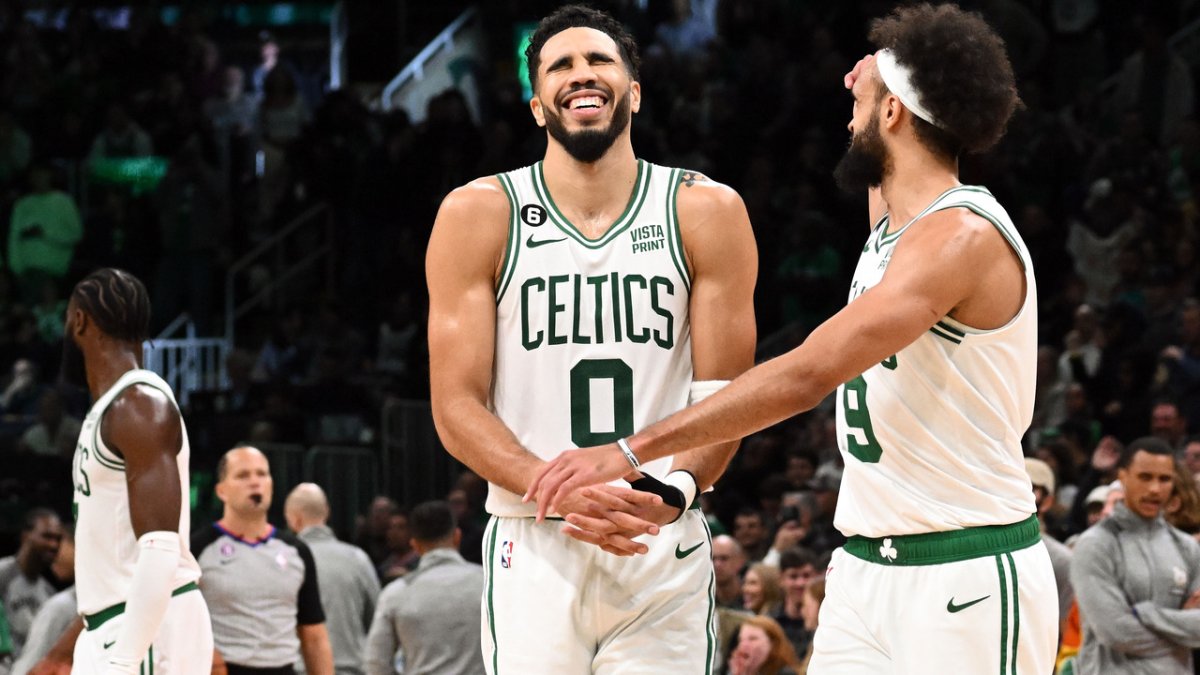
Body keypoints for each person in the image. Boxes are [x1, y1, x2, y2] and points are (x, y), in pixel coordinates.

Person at [528, 4, 1057, 672]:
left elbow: (809, 375)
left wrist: (634, 449)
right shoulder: (893, 222)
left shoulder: (962, 236)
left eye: (862, 99)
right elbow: (888, 139)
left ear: (893, 112)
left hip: (967, 569)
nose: (847, 102)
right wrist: (881, 67)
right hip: (865, 570)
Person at [425, 4, 757, 673]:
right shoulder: (478, 213)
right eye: (560, 65)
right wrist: (553, 486)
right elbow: (456, 405)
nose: (582, 74)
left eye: (600, 60)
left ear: (634, 91)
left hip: (659, 531)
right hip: (534, 534)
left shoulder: (704, 210)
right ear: (537, 104)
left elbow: (725, 396)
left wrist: (678, 490)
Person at [61, 267, 212, 673]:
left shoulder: (139, 405)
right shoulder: (114, 406)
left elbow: (159, 547)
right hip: (118, 625)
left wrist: (123, 662)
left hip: (141, 632)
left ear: (79, 321)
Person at [192, 446, 334, 675]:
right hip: (224, 668)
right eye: (242, 475)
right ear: (221, 491)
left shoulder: (296, 551)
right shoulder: (198, 549)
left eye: (262, 474)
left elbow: (314, 637)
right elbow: (176, 621)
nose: (255, 482)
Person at [1070, 437, 1200, 674]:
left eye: (1164, 479)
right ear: (1122, 477)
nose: (1154, 489)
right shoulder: (1094, 545)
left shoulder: (1187, 548)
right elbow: (1115, 631)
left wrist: (1148, 614)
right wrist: (1181, 632)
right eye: (1145, 477)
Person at [364, 500, 484, 675]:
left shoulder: (396, 593)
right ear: (457, 536)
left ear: (415, 545)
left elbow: (376, 663)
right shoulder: (488, 583)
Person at [284, 483, 380, 675]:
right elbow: (378, 620)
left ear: (293, 519)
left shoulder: (284, 561)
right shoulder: (358, 558)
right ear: (326, 512)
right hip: (352, 670)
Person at [0, 509, 62, 661]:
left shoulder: (49, 592)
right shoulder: (3, 574)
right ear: (26, 536)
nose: (53, 545)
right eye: (47, 536)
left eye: (58, 539)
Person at [726, 614, 803, 675]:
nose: (743, 645)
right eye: (741, 640)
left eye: (753, 639)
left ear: (773, 643)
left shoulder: (787, 673)